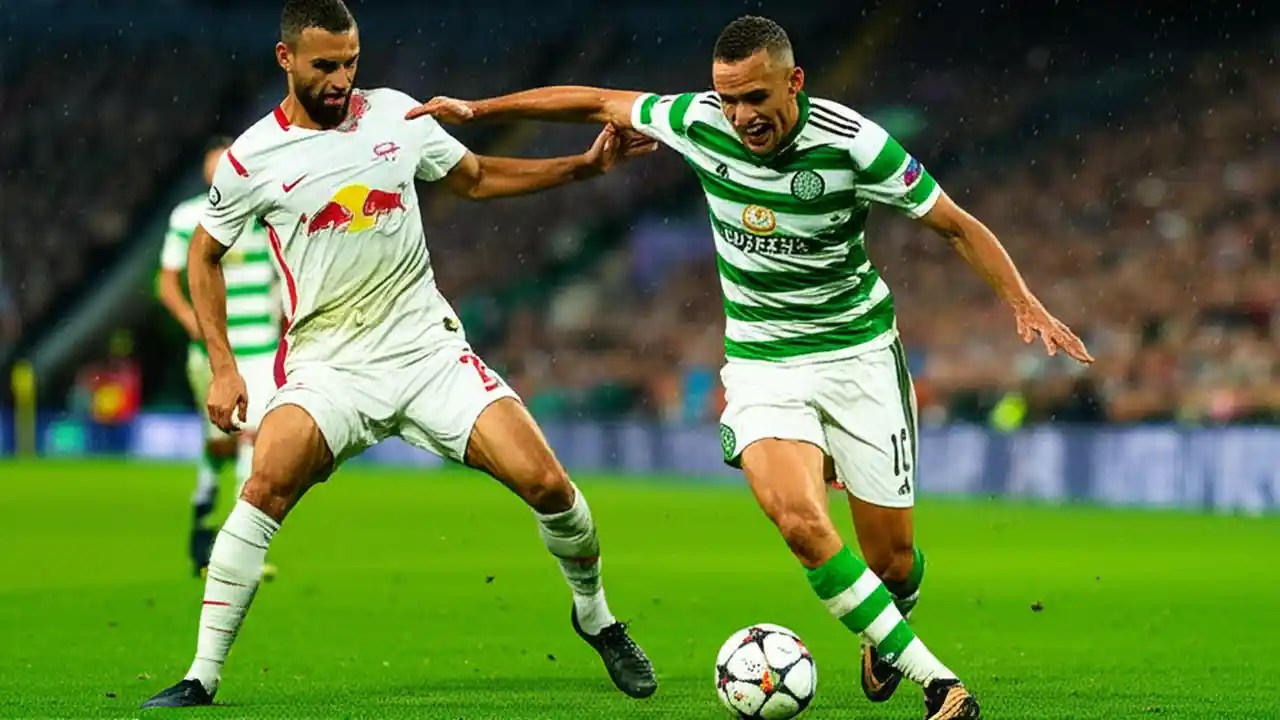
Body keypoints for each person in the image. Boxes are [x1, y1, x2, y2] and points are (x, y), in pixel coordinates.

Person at [408, 15, 1095, 720]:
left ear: (793, 82)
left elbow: (954, 222)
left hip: (858, 354)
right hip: (764, 364)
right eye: (728, 98)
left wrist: (1023, 301)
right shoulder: (696, 120)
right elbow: (594, 99)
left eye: (756, 99)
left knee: (890, 564)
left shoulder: (856, 144)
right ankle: (940, 683)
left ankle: (888, 623)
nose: (740, 117)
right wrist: (480, 110)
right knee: (799, 519)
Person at [142, 0, 658, 708]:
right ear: (285, 58)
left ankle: (595, 615)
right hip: (329, 365)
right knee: (263, 486)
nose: (341, 78)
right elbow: (203, 257)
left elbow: (474, 178)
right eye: (325, 64)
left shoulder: (396, 116)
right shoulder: (250, 159)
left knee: (550, 487)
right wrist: (225, 364)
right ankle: (202, 675)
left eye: (351, 61)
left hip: (425, 352)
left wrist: (583, 168)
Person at [156, 136, 281, 578]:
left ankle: (239, 552)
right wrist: (194, 322)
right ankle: (203, 515)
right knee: (222, 442)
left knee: (253, 438)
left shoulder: (265, 218)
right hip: (212, 354)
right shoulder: (188, 217)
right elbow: (167, 281)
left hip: (262, 351)